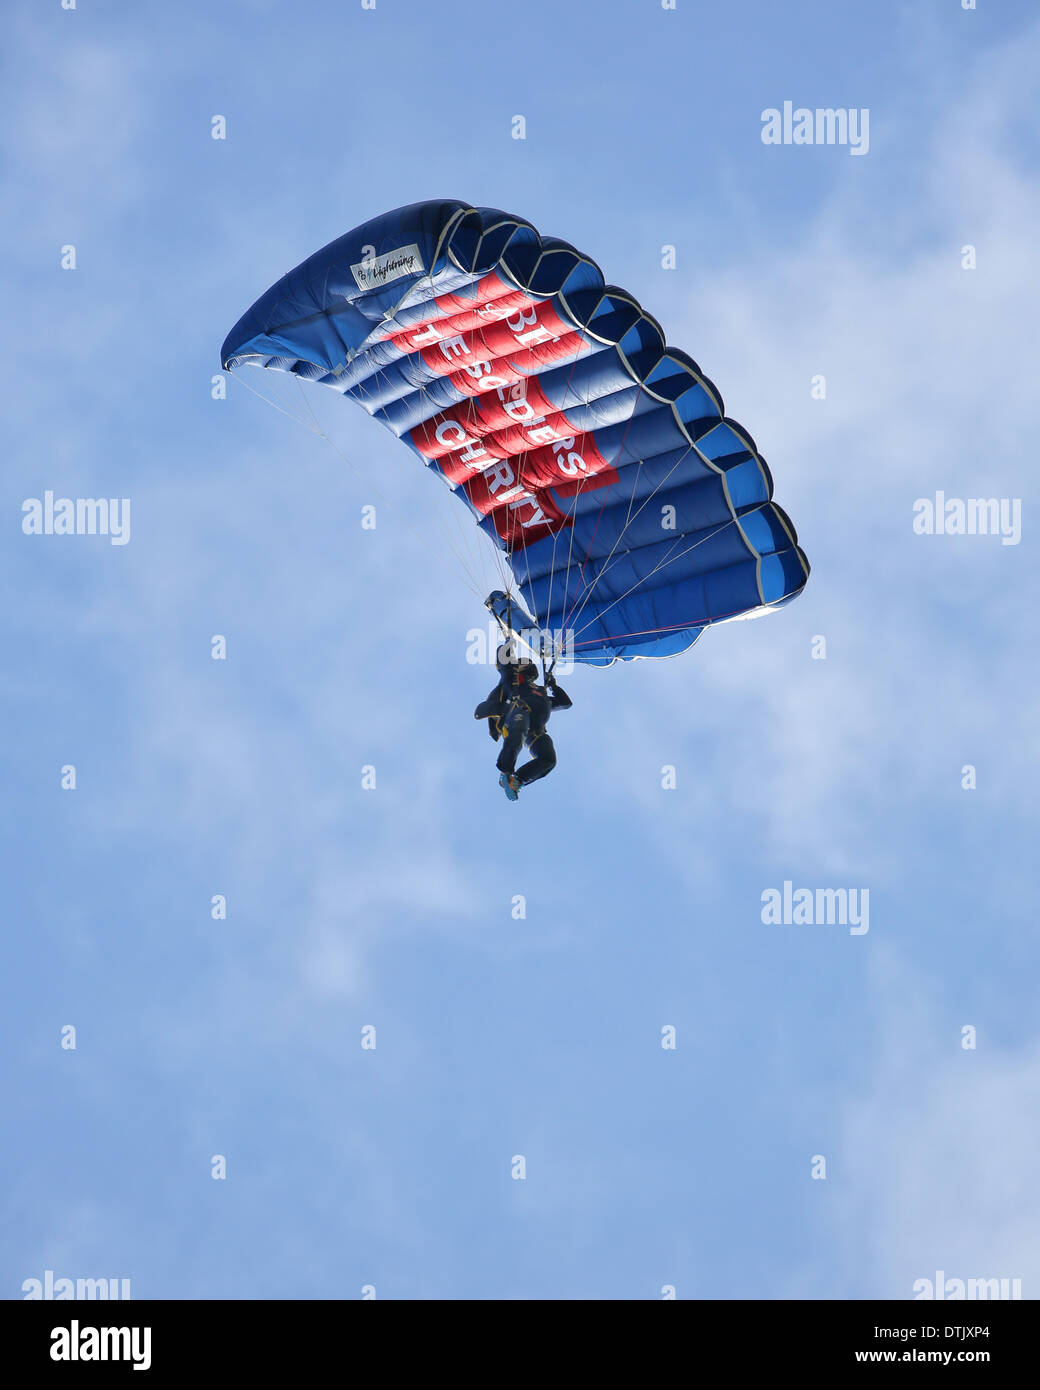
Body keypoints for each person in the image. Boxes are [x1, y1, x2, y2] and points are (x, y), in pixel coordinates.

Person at [474, 645, 572, 800]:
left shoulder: (540, 690)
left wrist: (553, 686)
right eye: (522, 663)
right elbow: (504, 661)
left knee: (548, 759)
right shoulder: (512, 681)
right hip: (518, 714)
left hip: (536, 730)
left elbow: (565, 703)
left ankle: (516, 781)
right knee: (518, 731)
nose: (525, 664)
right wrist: (508, 641)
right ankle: (505, 771)